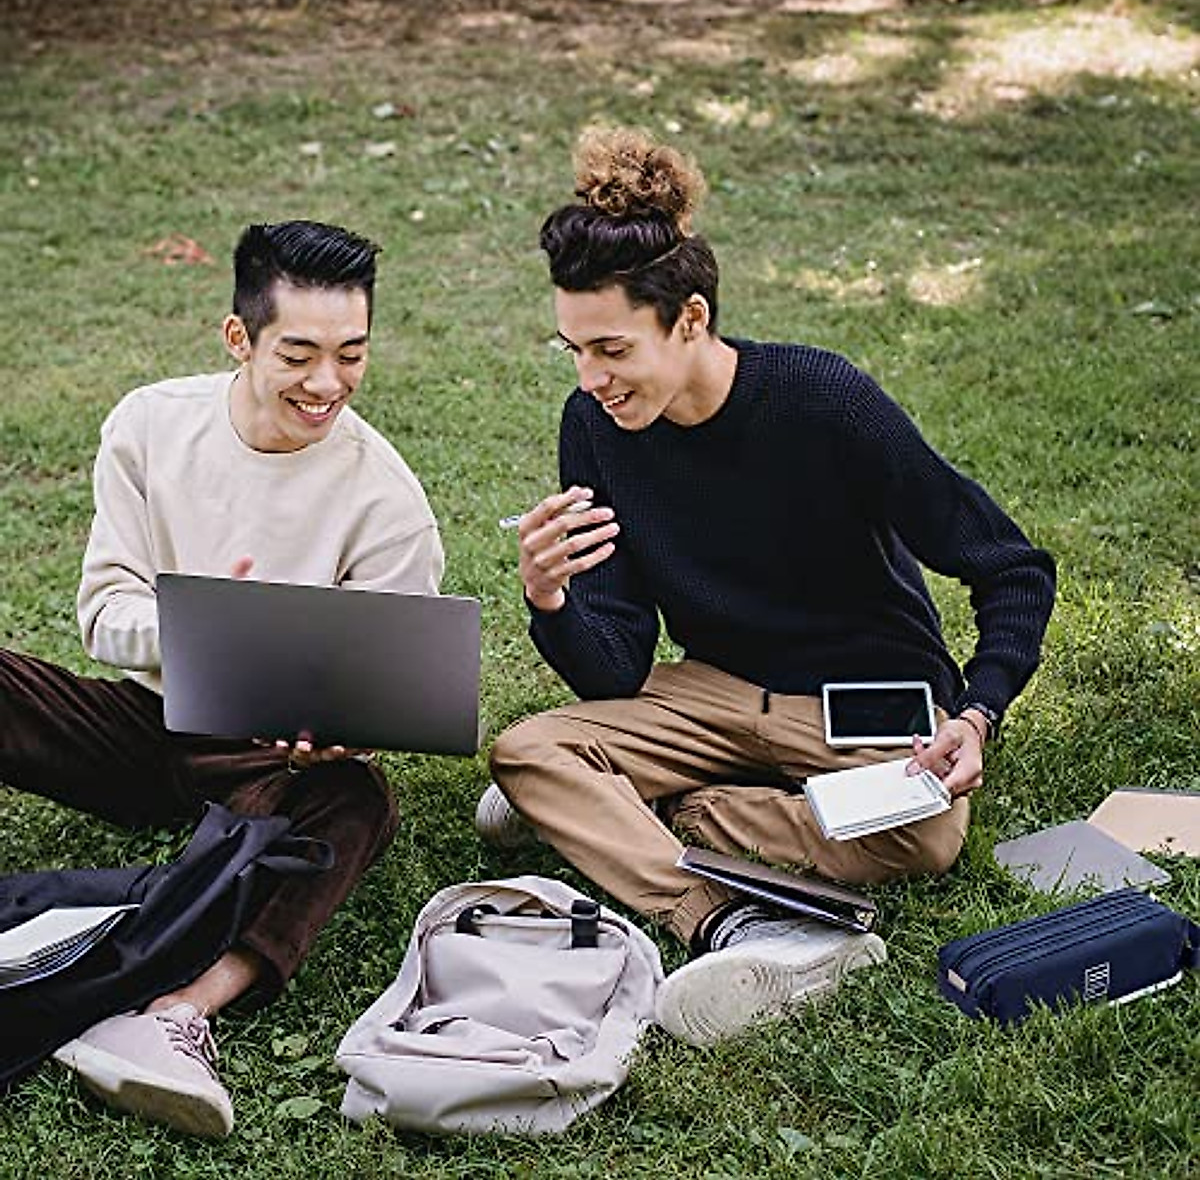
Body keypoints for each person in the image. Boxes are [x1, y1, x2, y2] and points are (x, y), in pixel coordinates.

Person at [481, 127, 1056, 1047]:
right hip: (713, 691)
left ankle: (668, 808)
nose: (591, 380)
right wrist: (551, 598)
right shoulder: (592, 427)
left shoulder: (822, 400)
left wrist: (979, 712)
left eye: (612, 349)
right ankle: (728, 920)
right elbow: (616, 666)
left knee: (929, 837)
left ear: (691, 319)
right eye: (573, 350)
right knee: (526, 753)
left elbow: (1009, 566)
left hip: (864, 698)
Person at [0, 220, 443, 1135]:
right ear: (239, 338)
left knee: (358, 801)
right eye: (300, 355)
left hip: (268, 761)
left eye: (352, 355)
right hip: (147, 720)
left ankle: (177, 1014)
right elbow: (103, 614)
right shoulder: (150, 425)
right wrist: (198, 626)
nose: (327, 384)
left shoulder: (387, 501)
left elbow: (390, 685)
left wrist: (340, 729)